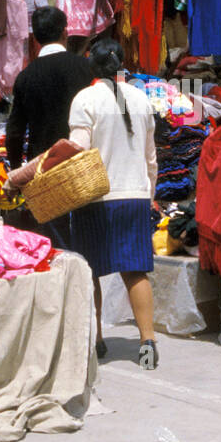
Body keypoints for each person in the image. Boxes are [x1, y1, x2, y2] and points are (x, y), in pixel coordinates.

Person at [67, 38, 159, 370]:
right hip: (135, 196)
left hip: (96, 198)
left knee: (89, 271)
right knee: (135, 271)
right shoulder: (141, 99)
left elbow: (77, 150)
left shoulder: (85, 100)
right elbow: (151, 159)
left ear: (92, 65)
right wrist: (149, 196)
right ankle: (147, 342)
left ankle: (97, 341)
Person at [4, 7, 95, 247]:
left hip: (44, 172)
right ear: (66, 32)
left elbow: (14, 132)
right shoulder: (85, 67)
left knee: (54, 244)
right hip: (84, 168)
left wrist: (17, 172)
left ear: (34, 38)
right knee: (86, 242)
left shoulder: (26, 77)